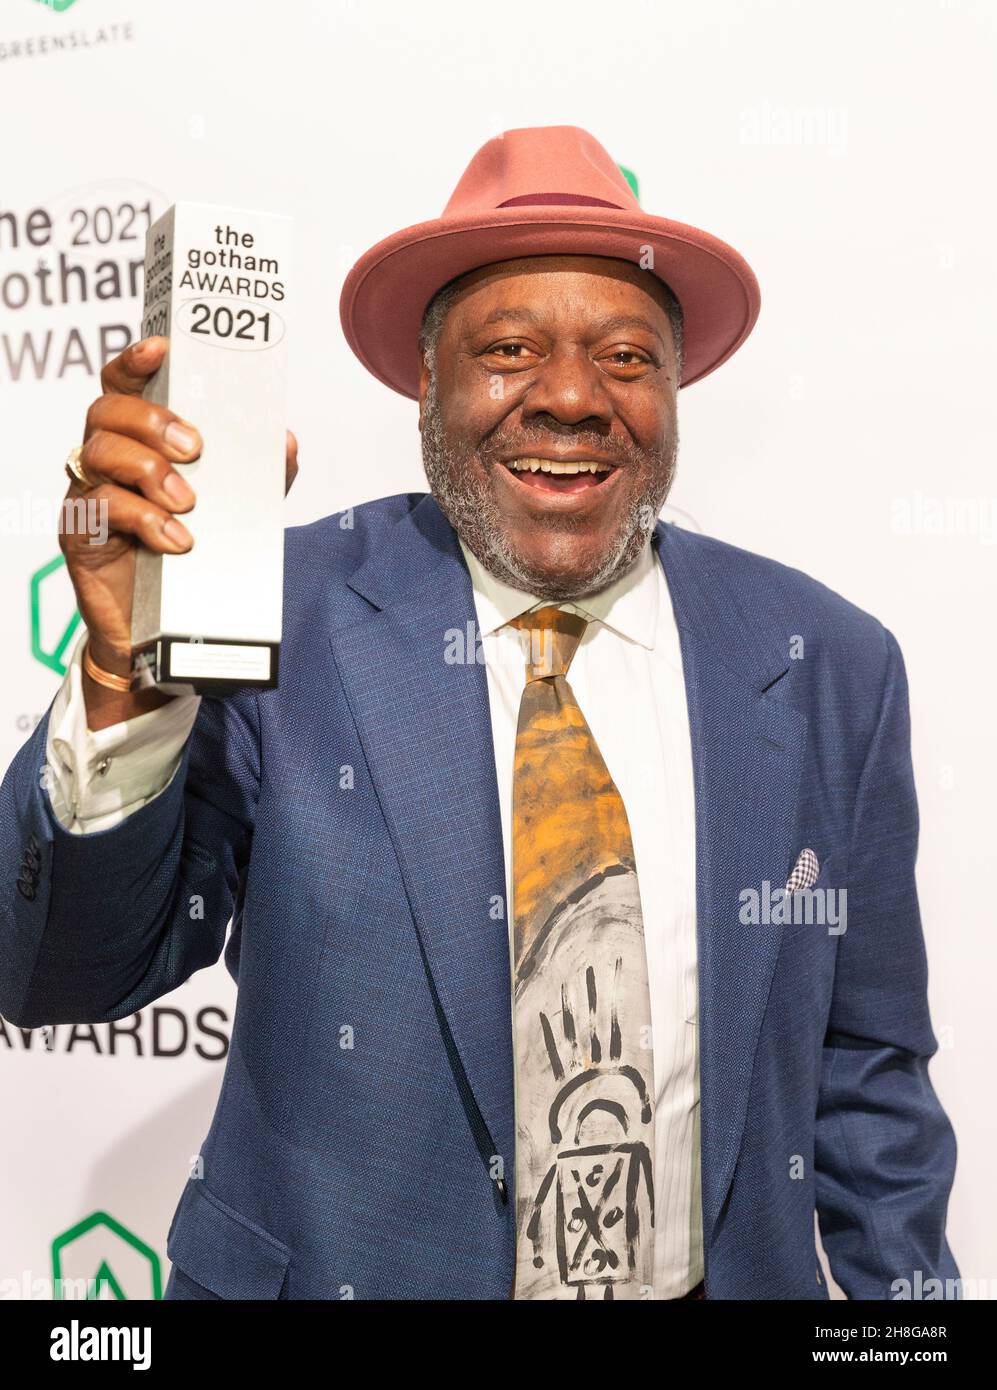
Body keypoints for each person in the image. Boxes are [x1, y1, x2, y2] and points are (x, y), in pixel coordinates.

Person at [0, 125, 959, 1300]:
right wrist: (123, 680)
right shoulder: (275, 615)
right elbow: (52, 974)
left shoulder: (827, 663)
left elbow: (868, 1074)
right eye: (507, 349)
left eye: (624, 356)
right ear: (425, 386)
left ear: (671, 391)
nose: (569, 397)